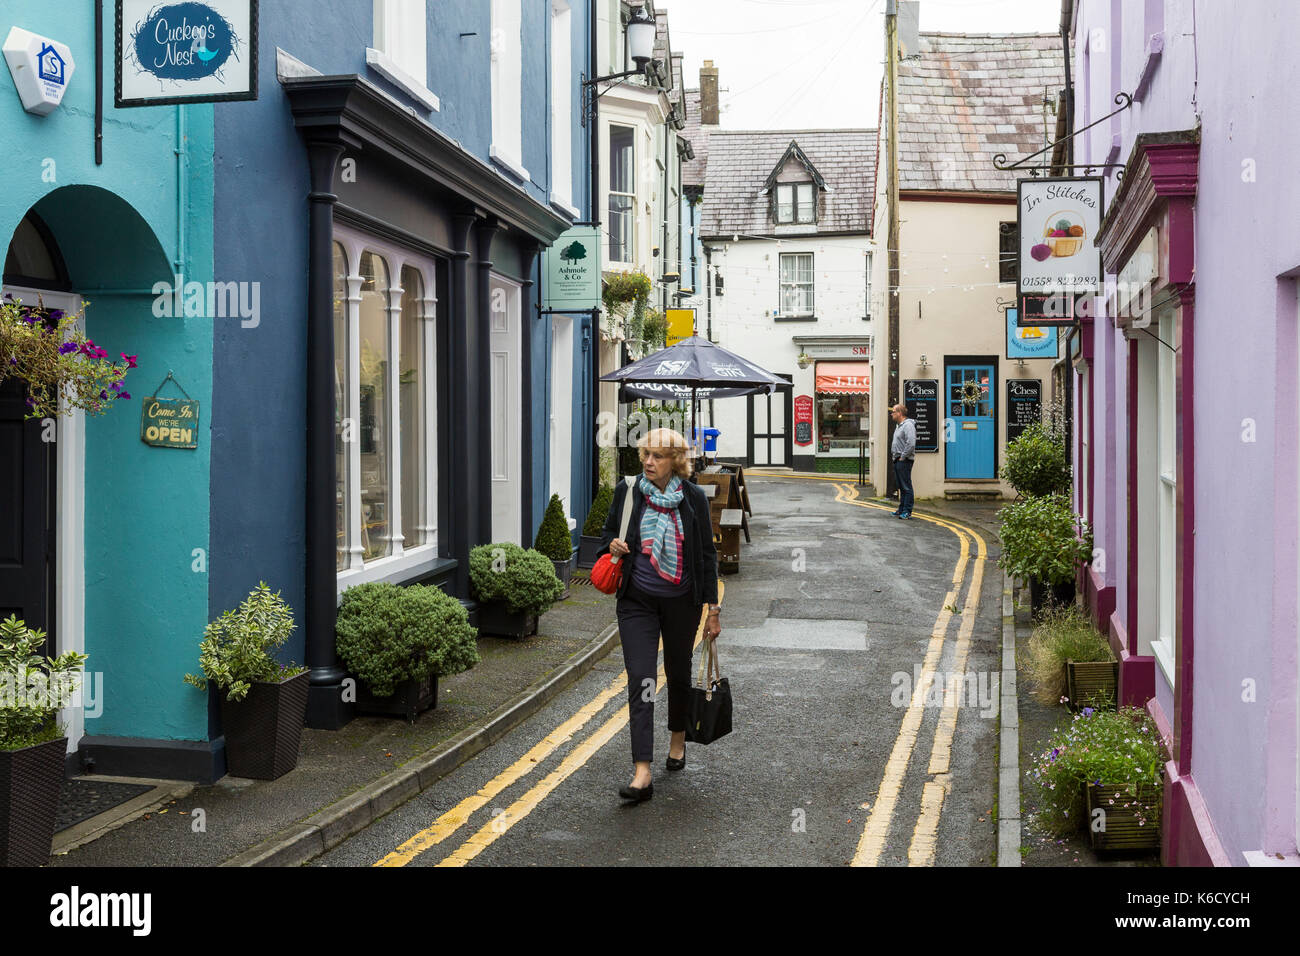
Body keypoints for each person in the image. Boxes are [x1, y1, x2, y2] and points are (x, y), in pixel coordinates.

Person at [597, 427, 721, 804]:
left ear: (676, 462)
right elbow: (604, 535)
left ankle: (678, 739)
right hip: (637, 600)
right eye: (646, 454)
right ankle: (642, 772)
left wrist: (712, 609)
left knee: (679, 674)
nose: (649, 462)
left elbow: (706, 555)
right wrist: (613, 544)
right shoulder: (629, 491)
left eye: (659, 456)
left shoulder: (693, 498)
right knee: (641, 678)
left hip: (681, 602)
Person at [889, 403, 916, 519]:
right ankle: (901, 509)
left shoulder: (908, 425)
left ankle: (907, 511)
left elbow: (911, 443)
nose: (891, 414)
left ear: (899, 413)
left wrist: (903, 456)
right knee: (901, 486)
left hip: (904, 460)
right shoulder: (899, 426)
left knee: (906, 486)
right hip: (898, 459)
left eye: (893, 411)